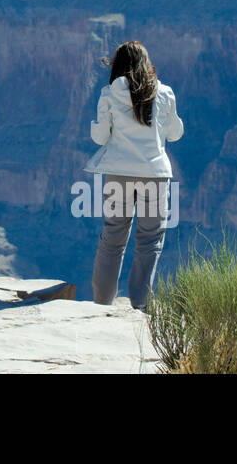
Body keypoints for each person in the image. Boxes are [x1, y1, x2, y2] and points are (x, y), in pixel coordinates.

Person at [84, 40, 183, 311]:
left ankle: (102, 302)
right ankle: (141, 303)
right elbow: (175, 133)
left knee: (113, 237)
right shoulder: (165, 93)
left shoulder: (109, 93)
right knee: (150, 240)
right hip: (155, 175)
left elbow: (100, 136)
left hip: (119, 174)